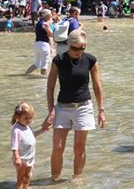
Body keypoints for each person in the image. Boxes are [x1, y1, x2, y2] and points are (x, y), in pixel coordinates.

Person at [41, 30, 106, 180]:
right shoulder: (59, 60)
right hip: (62, 107)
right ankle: (54, 179)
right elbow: (50, 87)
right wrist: (51, 111)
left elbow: (97, 86)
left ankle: (77, 179)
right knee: (57, 148)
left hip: (83, 107)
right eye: (75, 48)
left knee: (79, 148)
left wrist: (101, 109)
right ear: (69, 44)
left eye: (82, 48)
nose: (79, 51)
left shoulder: (91, 60)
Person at [10, 102, 47, 189]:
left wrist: (43, 130)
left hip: (30, 158)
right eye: (26, 118)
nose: (29, 120)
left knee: (28, 175)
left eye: (30, 118)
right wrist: (17, 158)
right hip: (21, 158)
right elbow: (14, 146)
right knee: (21, 176)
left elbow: (32, 135)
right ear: (17, 117)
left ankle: (26, 187)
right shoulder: (16, 130)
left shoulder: (27, 127)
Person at [25, 9, 55, 76]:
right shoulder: (45, 23)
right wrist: (50, 24)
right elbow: (51, 34)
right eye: (50, 15)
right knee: (44, 65)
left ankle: (25, 74)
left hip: (37, 44)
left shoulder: (39, 22)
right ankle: (43, 80)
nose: (51, 16)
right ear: (46, 15)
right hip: (44, 45)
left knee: (37, 64)